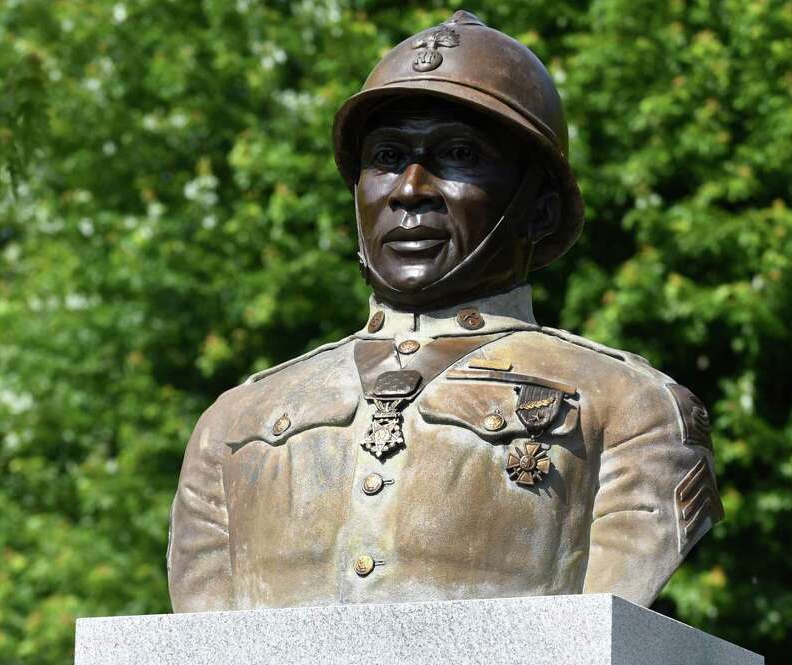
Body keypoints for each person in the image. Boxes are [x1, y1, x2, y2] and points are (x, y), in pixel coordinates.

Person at [167, 11, 721, 613]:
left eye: (457, 154)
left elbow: (602, 646)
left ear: (538, 209)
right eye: (386, 156)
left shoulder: (631, 409)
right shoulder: (231, 423)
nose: (410, 189)